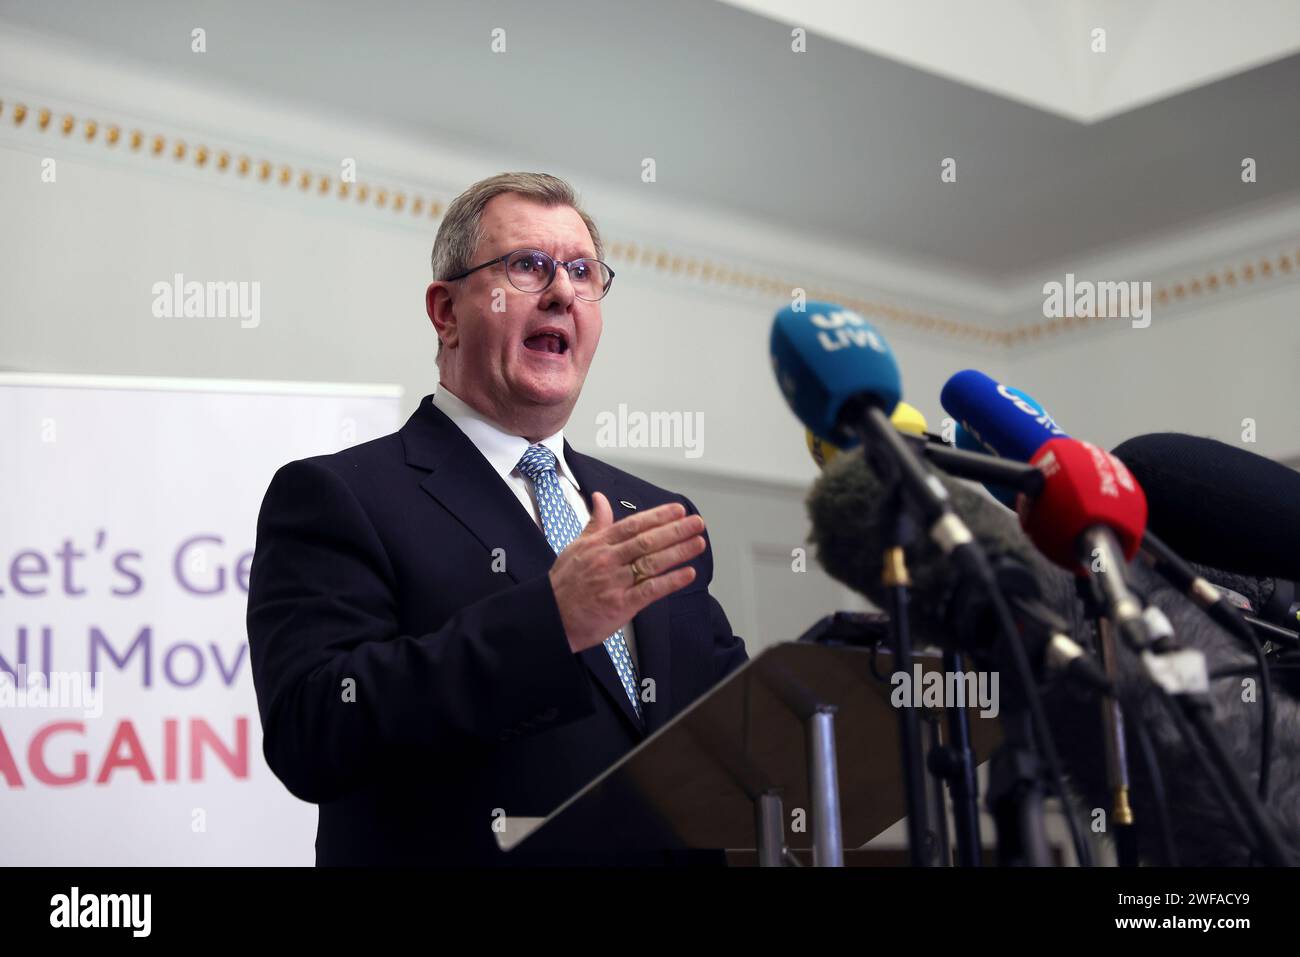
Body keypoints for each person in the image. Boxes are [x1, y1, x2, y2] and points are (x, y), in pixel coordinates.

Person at [247, 172, 748, 866]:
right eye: (527, 266)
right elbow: (314, 730)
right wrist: (551, 620)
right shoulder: (341, 495)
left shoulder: (655, 516)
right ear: (446, 311)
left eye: (581, 270)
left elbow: (737, 727)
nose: (563, 291)